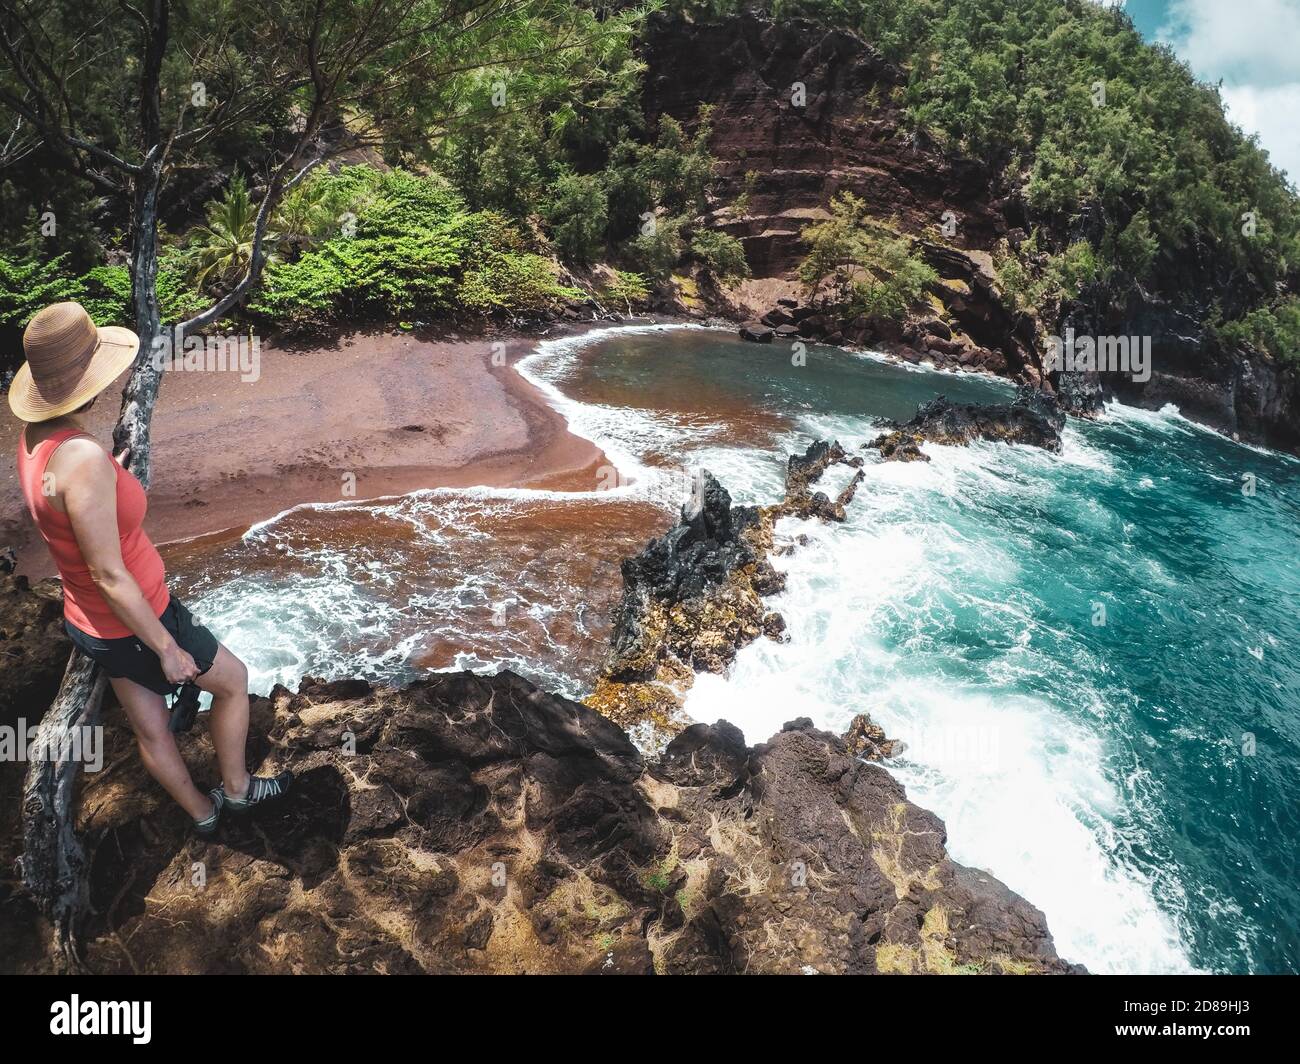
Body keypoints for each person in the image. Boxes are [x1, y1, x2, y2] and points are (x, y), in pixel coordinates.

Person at [10, 302, 290, 835]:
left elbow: (71, 513)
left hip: (89, 621)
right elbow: (112, 575)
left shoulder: (33, 444)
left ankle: (202, 815)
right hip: (136, 616)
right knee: (233, 682)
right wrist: (168, 649)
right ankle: (236, 791)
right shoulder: (83, 460)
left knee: (152, 731)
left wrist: (110, 471)